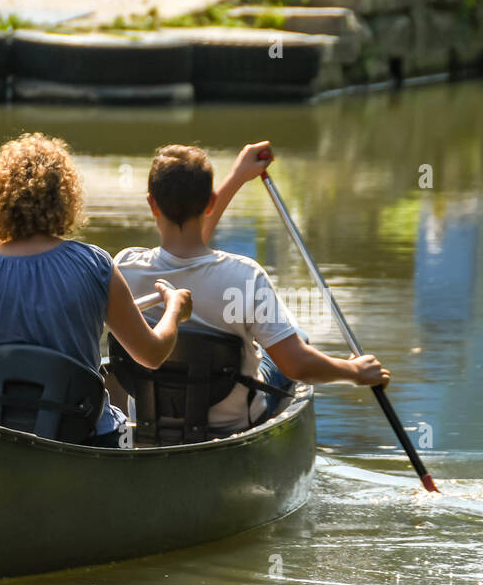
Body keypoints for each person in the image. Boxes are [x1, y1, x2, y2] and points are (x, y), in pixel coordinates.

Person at [0, 133, 193, 446]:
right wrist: (174, 310)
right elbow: (150, 355)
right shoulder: (96, 266)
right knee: (119, 423)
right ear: (65, 198)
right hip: (79, 433)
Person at [114, 141, 388, 434]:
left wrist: (237, 178)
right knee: (298, 341)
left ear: (152, 203)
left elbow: (184, 251)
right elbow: (296, 366)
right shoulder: (245, 276)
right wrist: (354, 372)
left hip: (150, 421)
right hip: (233, 425)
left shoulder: (125, 269)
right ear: (209, 203)